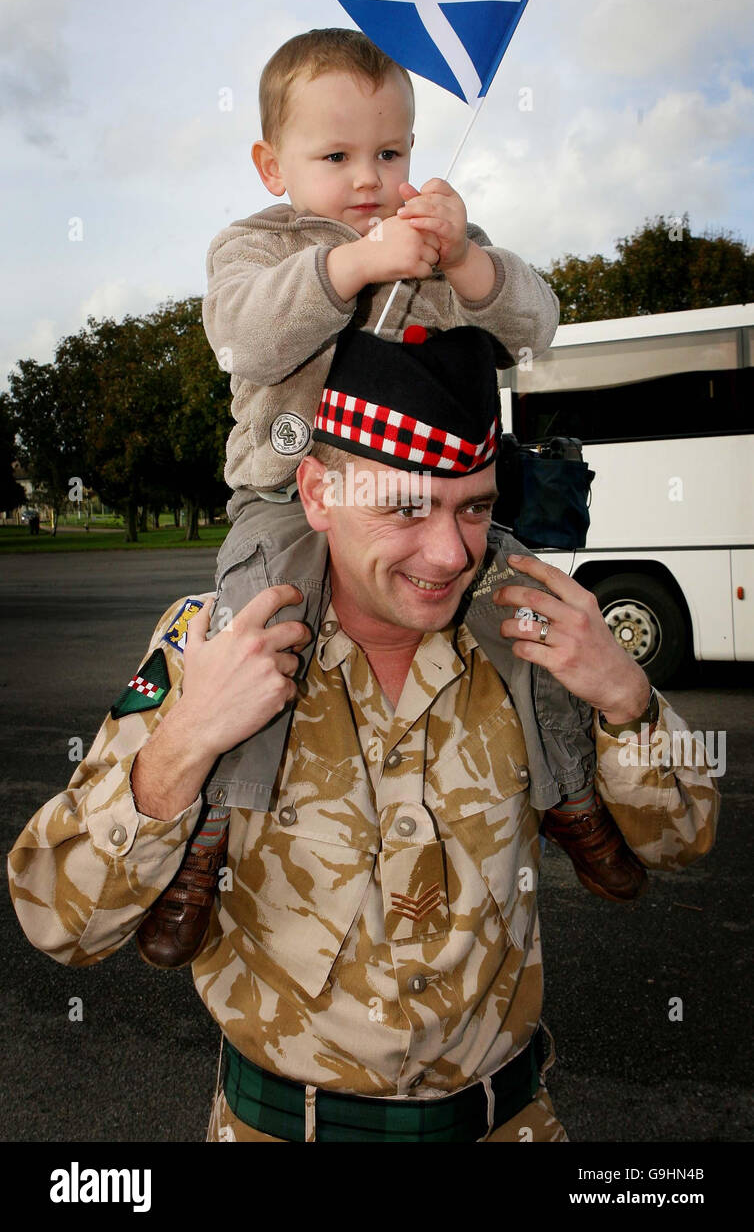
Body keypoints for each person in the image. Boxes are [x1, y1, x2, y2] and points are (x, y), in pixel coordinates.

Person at [8, 326, 720, 1143]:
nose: (451, 553)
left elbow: (683, 842)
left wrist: (626, 694)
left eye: (476, 507)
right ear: (317, 495)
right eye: (405, 507)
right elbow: (57, 922)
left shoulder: (533, 643)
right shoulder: (212, 645)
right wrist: (183, 745)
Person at [140, 28, 640, 967]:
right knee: (257, 637)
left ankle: (570, 796)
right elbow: (246, 340)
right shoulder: (257, 245)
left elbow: (538, 327)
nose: (369, 177)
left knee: (530, 608)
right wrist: (355, 265)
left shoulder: (438, 238)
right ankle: (207, 838)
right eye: (335, 156)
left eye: (391, 151)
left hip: (438, 502)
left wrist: (466, 266)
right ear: (269, 163)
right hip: (289, 497)